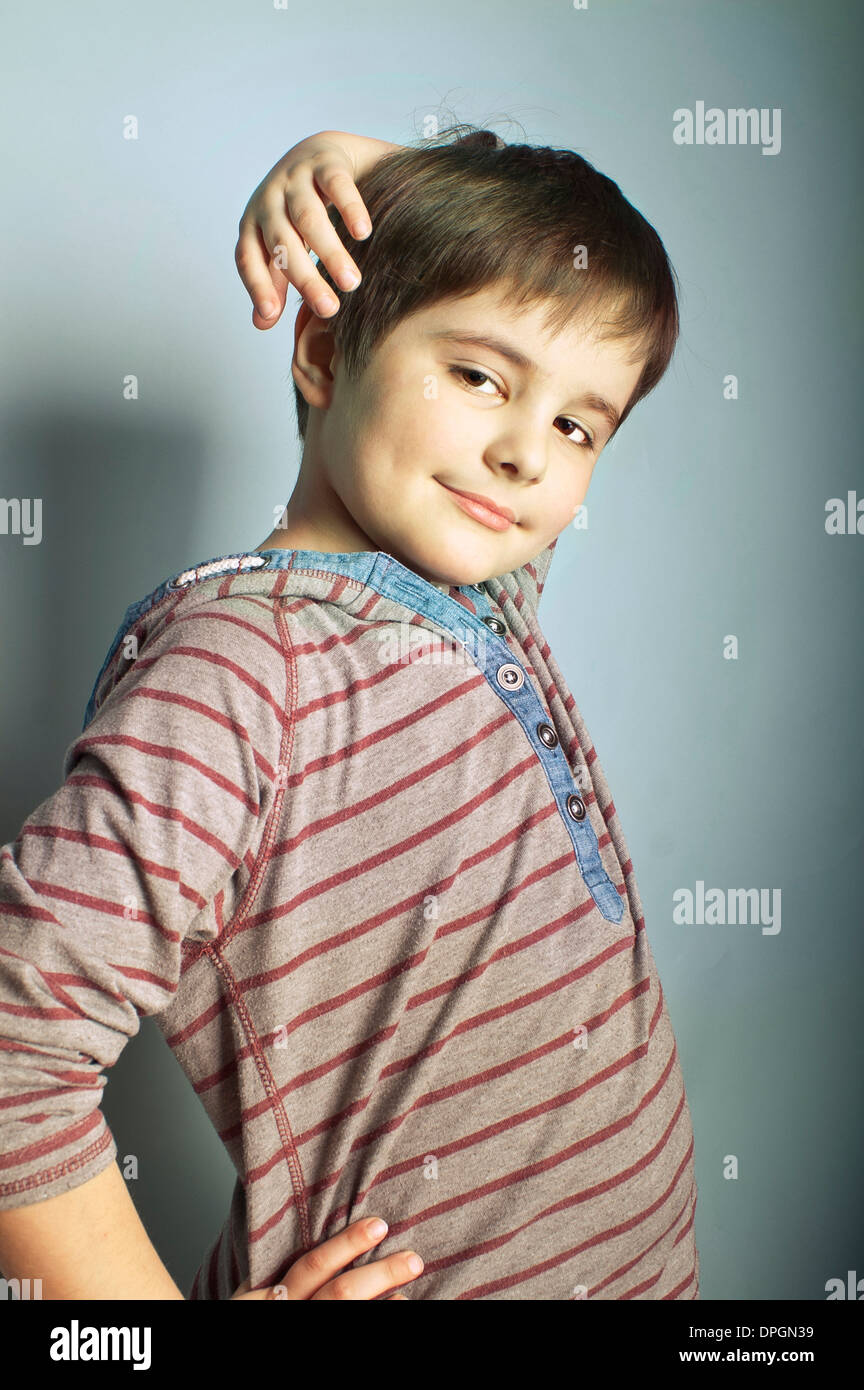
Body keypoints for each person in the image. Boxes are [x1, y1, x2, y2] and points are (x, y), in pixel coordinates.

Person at [0, 125, 699, 1300]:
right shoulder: (239, 669)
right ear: (323, 348)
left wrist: (352, 167)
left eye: (580, 424)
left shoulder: (478, 600)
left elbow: (499, 353)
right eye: (479, 375)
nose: (528, 450)